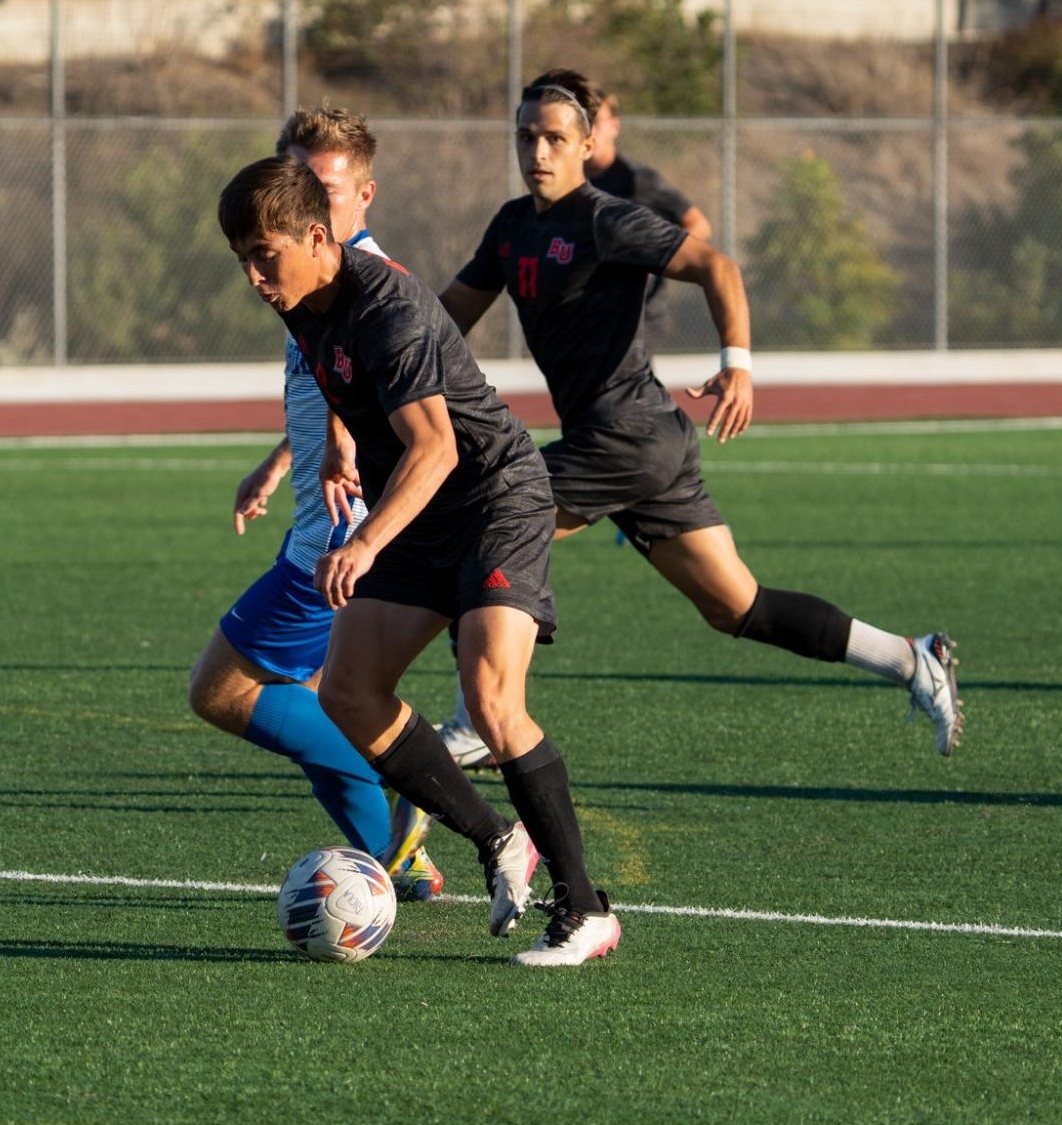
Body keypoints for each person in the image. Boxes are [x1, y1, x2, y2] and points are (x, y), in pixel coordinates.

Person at [433, 71, 961, 771]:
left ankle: (481, 714)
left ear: (587, 145)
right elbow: (448, 320)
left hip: (622, 437)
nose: (538, 150)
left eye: (555, 137)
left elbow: (716, 265)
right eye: (527, 135)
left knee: (493, 518)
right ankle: (909, 657)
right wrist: (386, 349)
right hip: (649, 442)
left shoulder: (603, 218)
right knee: (738, 606)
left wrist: (737, 363)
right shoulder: (512, 226)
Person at [218, 154, 622, 966]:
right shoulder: (303, 299)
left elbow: (435, 447)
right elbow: (344, 387)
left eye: (266, 255)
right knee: (349, 691)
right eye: (243, 261)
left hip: (494, 499)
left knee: (492, 698)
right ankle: (497, 838)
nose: (257, 277)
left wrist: (365, 540)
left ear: (316, 235)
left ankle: (585, 911)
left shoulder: (389, 305)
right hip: (424, 509)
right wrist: (336, 448)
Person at [187, 107, 442, 901]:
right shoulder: (298, 276)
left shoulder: (360, 283)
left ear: (362, 195)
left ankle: (403, 779)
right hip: (320, 517)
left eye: (325, 190)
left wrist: (340, 445)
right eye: (297, 182)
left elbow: (378, 389)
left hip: (340, 533)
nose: (310, 205)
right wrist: (282, 458)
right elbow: (327, 382)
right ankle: (398, 856)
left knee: (222, 691)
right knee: (314, 693)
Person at [583, 73, 712, 355]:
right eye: (583, 121)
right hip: (590, 309)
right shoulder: (571, 184)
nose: (589, 130)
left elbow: (698, 224)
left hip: (639, 314)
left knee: (622, 390)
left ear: (614, 126)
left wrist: (657, 257)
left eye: (597, 121)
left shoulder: (637, 180)